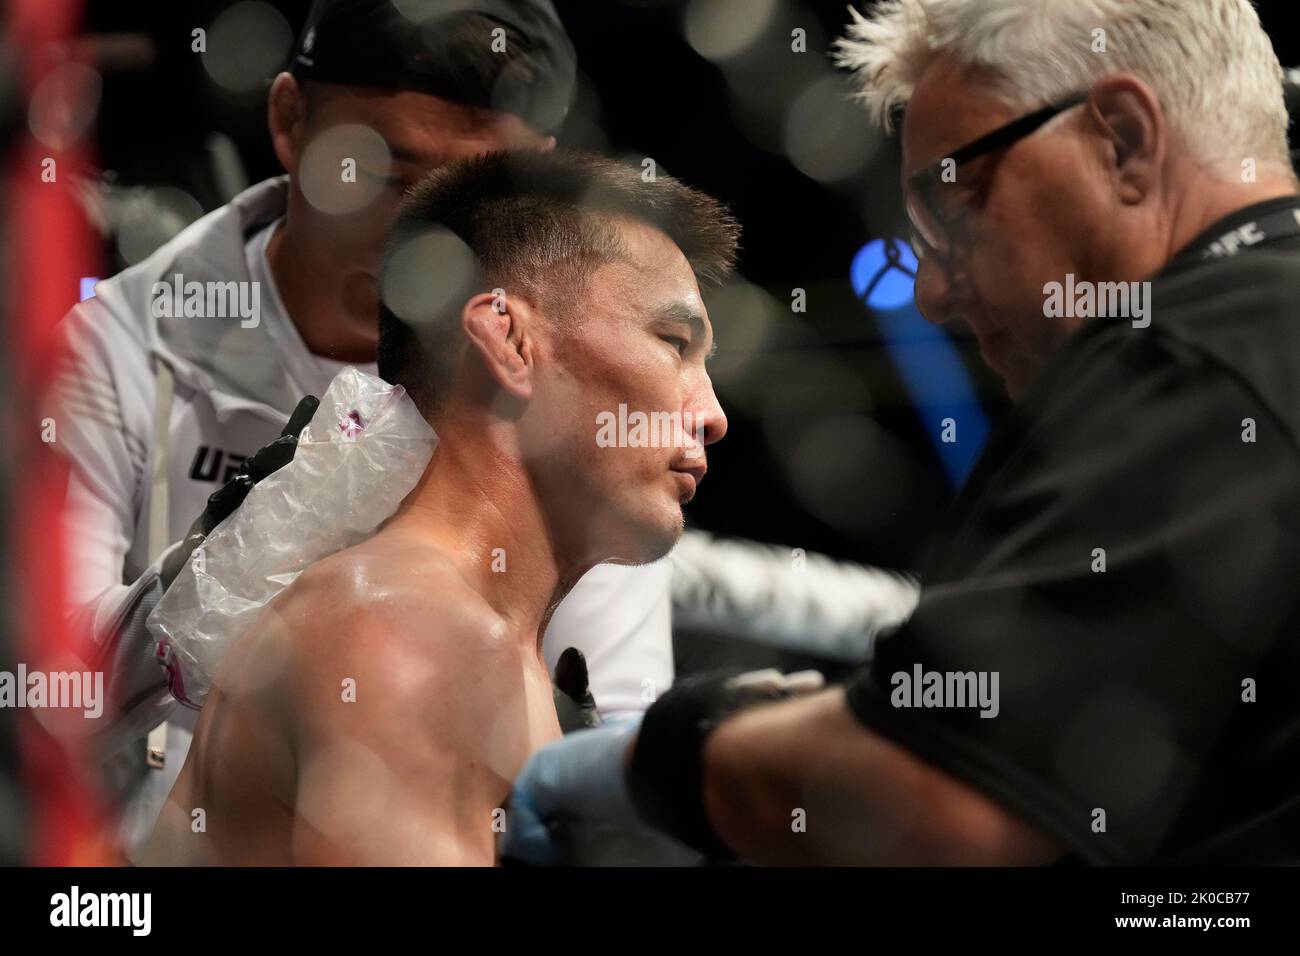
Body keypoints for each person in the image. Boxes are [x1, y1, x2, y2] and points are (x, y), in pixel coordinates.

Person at [505, 0, 1300, 866]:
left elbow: (938, 804)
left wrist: (663, 759)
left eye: (954, 205)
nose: (931, 293)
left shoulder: (1194, 354)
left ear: (1120, 140)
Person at [48, 0, 680, 860]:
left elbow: (626, 711)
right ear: (288, 122)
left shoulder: (573, 392)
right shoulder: (114, 350)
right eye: (379, 171)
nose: (426, 233)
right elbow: (44, 699)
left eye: (474, 192)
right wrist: (218, 568)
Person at [143, 148, 736, 865]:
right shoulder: (405, 629)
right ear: (510, 339)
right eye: (674, 343)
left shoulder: (487, 645)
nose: (711, 414)